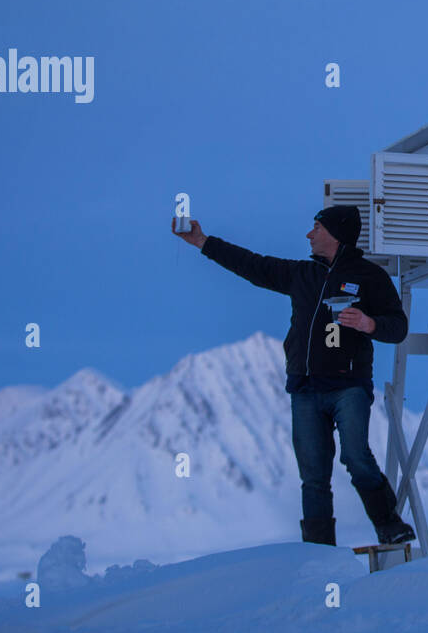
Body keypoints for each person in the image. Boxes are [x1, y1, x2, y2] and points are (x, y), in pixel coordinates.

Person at [173, 205, 415, 547]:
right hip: (305, 388)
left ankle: (390, 526)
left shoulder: (370, 277)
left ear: (335, 233)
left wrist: (369, 323)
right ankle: (319, 550)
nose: (309, 234)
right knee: (313, 475)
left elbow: (399, 327)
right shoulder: (301, 275)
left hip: (348, 386)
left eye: (316, 227)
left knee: (355, 456)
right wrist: (202, 242)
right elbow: (252, 265)